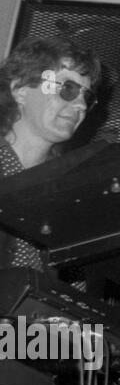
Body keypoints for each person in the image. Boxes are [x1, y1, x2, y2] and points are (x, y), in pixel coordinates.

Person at [0, 36, 102, 269]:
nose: (81, 105)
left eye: (86, 96)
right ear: (20, 90)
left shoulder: (68, 187)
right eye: (68, 89)